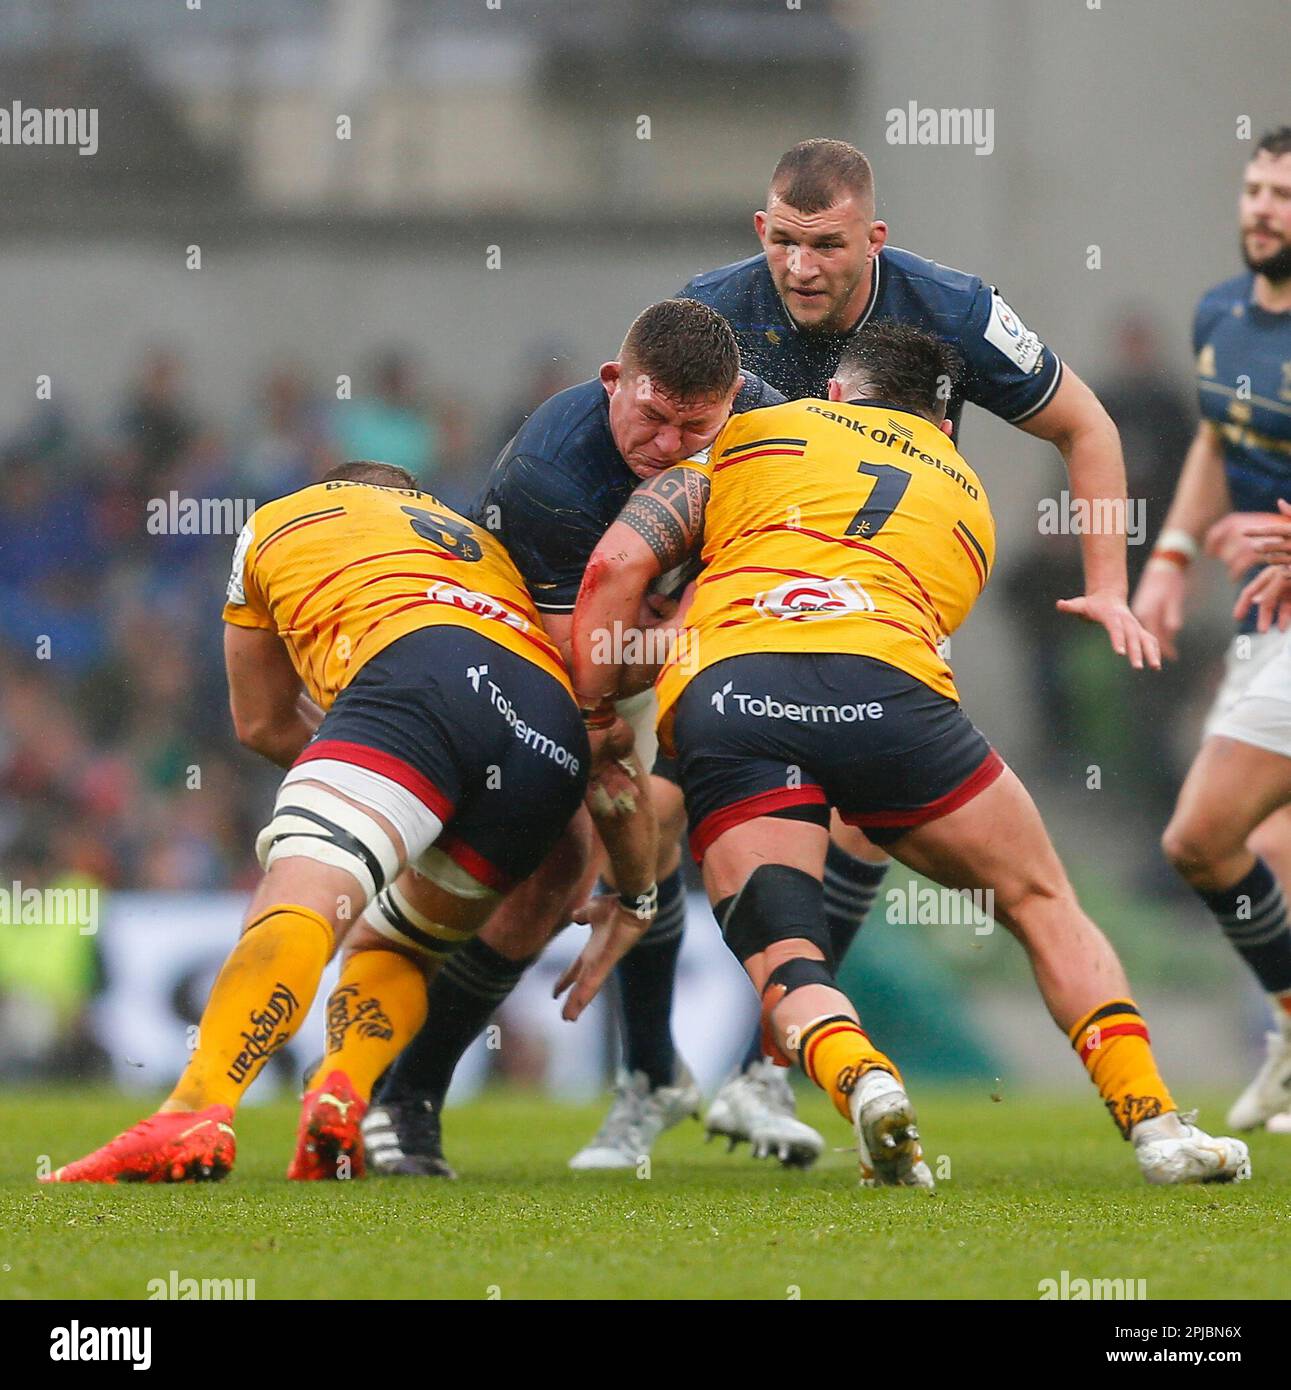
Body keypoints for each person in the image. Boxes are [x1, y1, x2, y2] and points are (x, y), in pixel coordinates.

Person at [572, 322, 1250, 1189]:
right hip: (888, 692)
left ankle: (863, 1078)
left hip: (733, 691)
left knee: (786, 951)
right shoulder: (965, 495)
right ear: (939, 423)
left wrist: (599, 718)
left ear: (839, 395)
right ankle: (1153, 1124)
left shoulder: (753, 431)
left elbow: (613, 569)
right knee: (1040, 900)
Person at [652, 135, 1159, 1163]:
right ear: (761, 232)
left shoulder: (954, 310)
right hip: (745, 603)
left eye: (827, 247)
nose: (801, 269)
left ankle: (763, 1072)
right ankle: (649, 1076)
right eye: (784, 244)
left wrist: (1107, 587)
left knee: (855, 828)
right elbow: (648, 437)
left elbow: (1087, 426)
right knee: (646, 824)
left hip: (878, 606)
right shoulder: (712, 313)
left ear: (872, 240)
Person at [41, 462, 643, 1183]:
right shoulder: (477, 544)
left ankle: (194, 1112)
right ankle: (342, 1091)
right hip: (547, 737)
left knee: (302, 900)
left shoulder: (283, 517)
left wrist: (385, 776)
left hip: (414, 675)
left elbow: (260, 722)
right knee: (403, 946)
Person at [363, 299, 785, 1175]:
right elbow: (591, 667)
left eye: (691, 427)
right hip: (533, 655)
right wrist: (713, 624)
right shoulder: (552, 479)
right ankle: (400, 1087)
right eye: (650, 418)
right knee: (548, 868)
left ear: (732, 401)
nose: (666, 445)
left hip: (654, 638)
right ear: (611, 384)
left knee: (658, 829)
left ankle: (646, 1073)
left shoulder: (768, 422)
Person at [1133, 127, 1291, 1132]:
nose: (1262, 209)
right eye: (1253, 188)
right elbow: (1212, 436)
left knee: (1201, 832)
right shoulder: (1220, 315)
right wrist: (1170, 559)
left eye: (1281, 194)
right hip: (1258, 626)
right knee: (1231, 840)